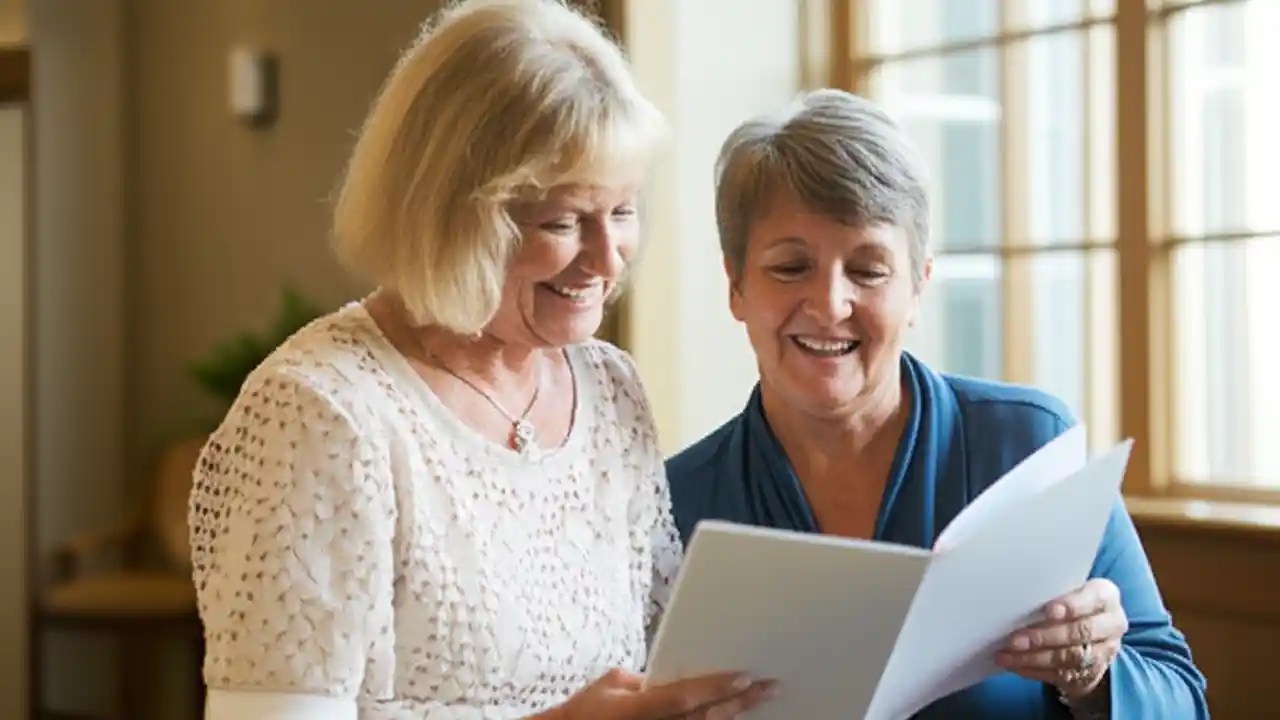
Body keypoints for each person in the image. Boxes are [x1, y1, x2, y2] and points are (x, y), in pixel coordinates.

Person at [188, 1, 775, 718]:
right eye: (562, 221)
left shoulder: (609, 386)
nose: (605, 257)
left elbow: (653, 663)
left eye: (621, 212)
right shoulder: (322, 414)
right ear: (450, 216)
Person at [665, 88, 1208, 719]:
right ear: (735, 286)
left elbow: (1182, 703)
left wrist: (1095, 675)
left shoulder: (1027, 448)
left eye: (868, 271)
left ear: (919, 286)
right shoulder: (675, 503)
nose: (830, 304)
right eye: (790, 268)